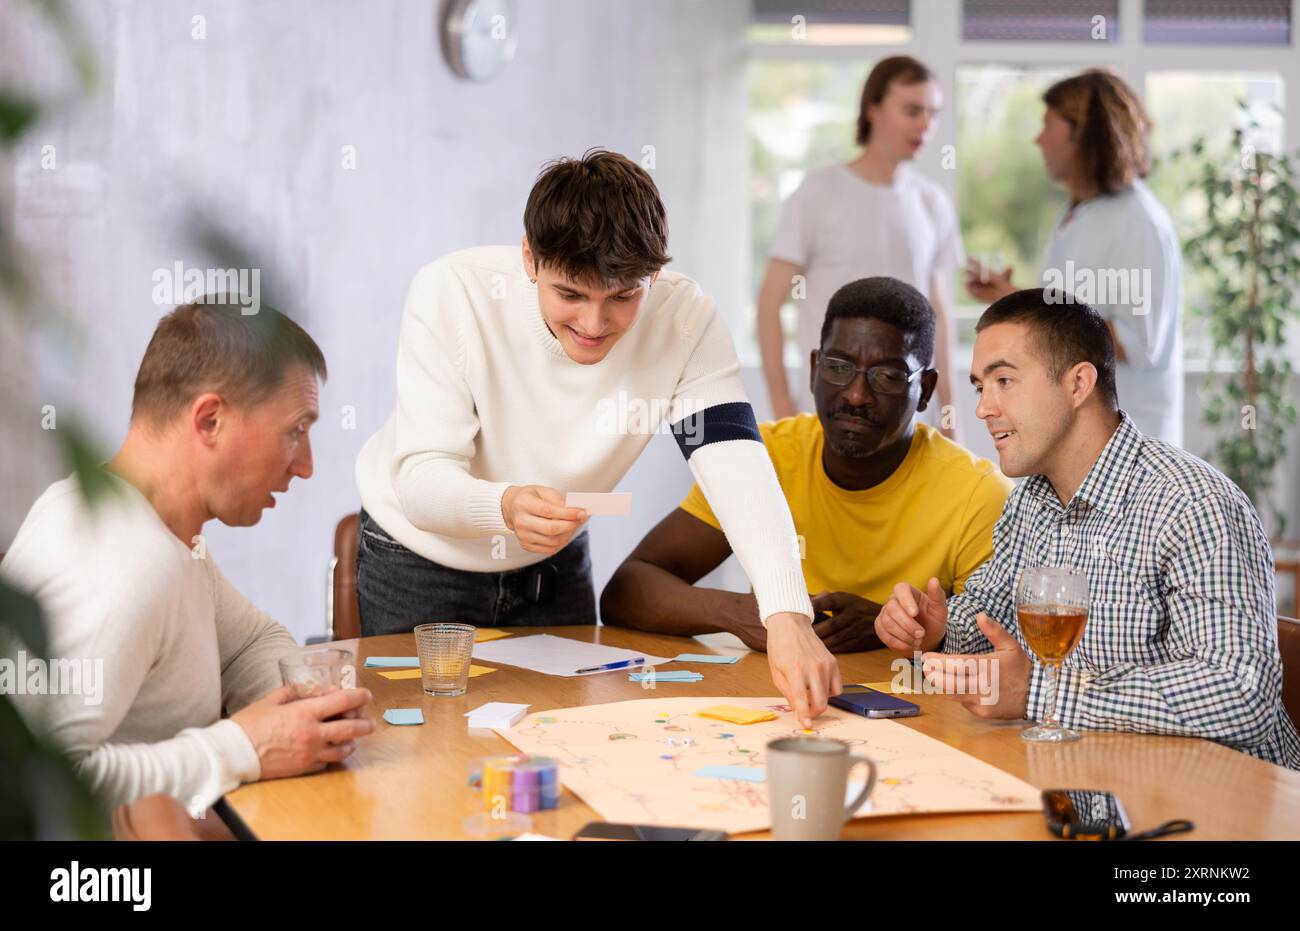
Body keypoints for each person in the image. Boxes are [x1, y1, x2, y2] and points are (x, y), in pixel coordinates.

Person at [354, 149, 839, 726]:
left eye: (622, 297)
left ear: (653, 275)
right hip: (419, 559)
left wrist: (786, 614)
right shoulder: (451, 293)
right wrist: (502, 505)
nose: (593, 324)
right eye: (571, 295)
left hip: (551, 566)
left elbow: (734, 460)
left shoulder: (685, 320)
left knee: (570, 738)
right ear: (531, 259)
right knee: (425, 757)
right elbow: (419, 479)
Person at [875, 289, 1299, 769]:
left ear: (1078, 384)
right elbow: (987, 629)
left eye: (1004, 381)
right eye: (979, 387)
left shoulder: (1193, 504)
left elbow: (1241, 695)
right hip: (1095, 779)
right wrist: (933, 630)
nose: (983, 409)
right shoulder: (1030, 502)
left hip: (1225, 804)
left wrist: (1041, 693)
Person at [1, 299, 376, 810]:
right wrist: (245, 747)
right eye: (295, 430)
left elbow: (250, 641)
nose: (305, 466)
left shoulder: (162, 532)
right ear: (210, 419)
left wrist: (306, 710)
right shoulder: (122, 563)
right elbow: (37, 783)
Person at [603, 277, 1011, 653]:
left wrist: (889, 627)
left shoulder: (978, 494)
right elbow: (626, 589)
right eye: (838, 368)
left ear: (925, 391)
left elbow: (1007, 641)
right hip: (777, 704)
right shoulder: (768, 456)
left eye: (886, 376)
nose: (855, 395)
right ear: (815, 370)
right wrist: (754, 614)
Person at [967, 69, 1183, 445]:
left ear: (1082, 135)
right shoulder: (1078, 211)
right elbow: (1071, 309)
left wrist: (1037, 313)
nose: (1038, 139)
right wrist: (1015, 299)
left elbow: (1137, 343)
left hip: (1129, 444)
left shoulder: (1138, 223)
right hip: (1076, 437)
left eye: (1048, 126)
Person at [758, 56, 964, 439]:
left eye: (933, 114)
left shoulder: (932, 203)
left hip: (908, 420)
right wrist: (782, 409)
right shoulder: (817, 194)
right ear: (873, 108)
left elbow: (939, 314)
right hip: (825, 417)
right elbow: (769, 303)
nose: (925, 125)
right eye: (912, 111)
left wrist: (950, 416)